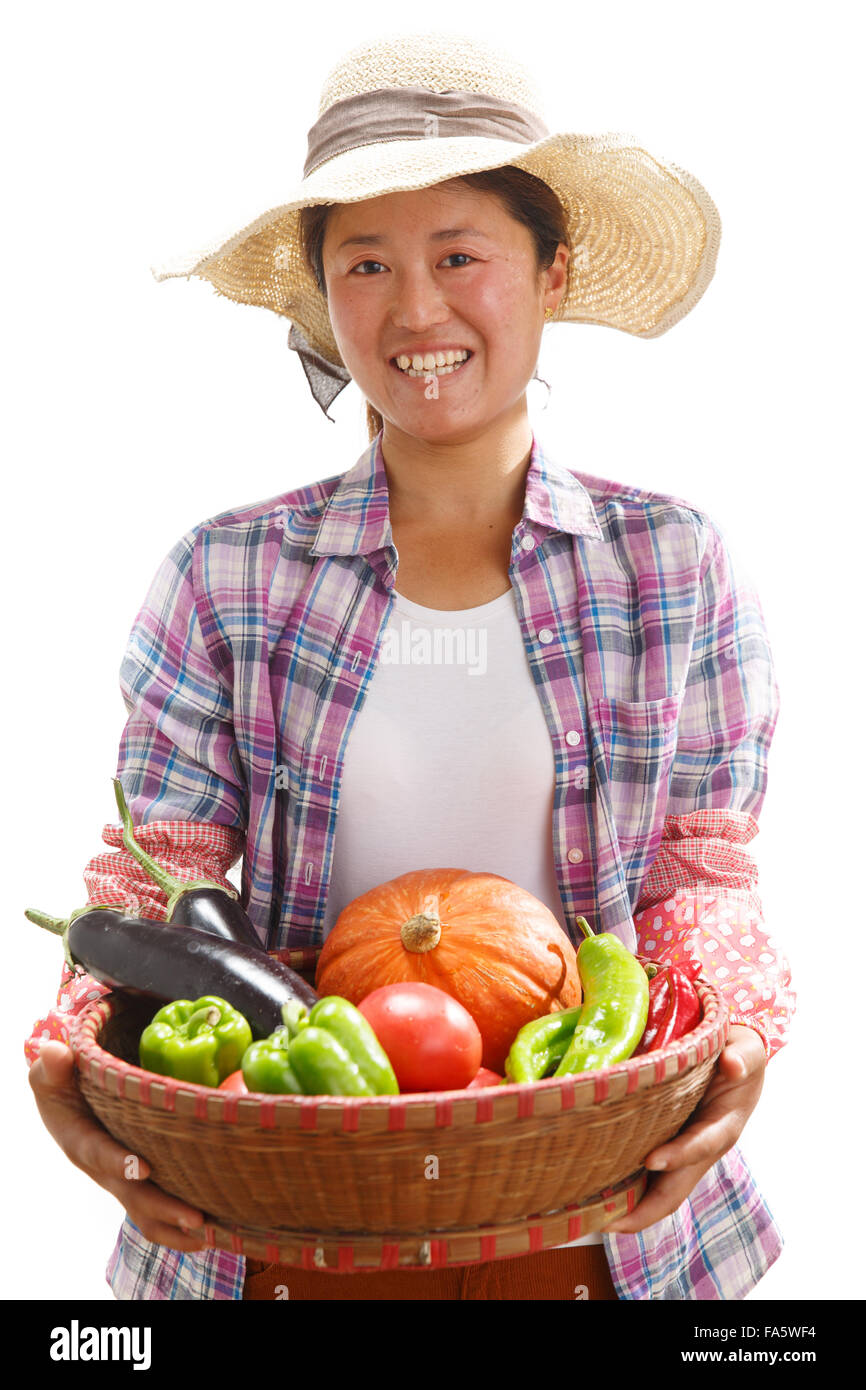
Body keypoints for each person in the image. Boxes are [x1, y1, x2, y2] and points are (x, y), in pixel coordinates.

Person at [26, 31, 794, 1301]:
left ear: (551, 272)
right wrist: (68, 1053)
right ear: (323, 300)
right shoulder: (225, 577)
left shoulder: (673, 565)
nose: (416, 310)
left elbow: (697, 876)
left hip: (593, 1212)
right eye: (365, 264)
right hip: (285, 1212)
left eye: (459, 256)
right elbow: (158, 874)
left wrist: (742, 1034)